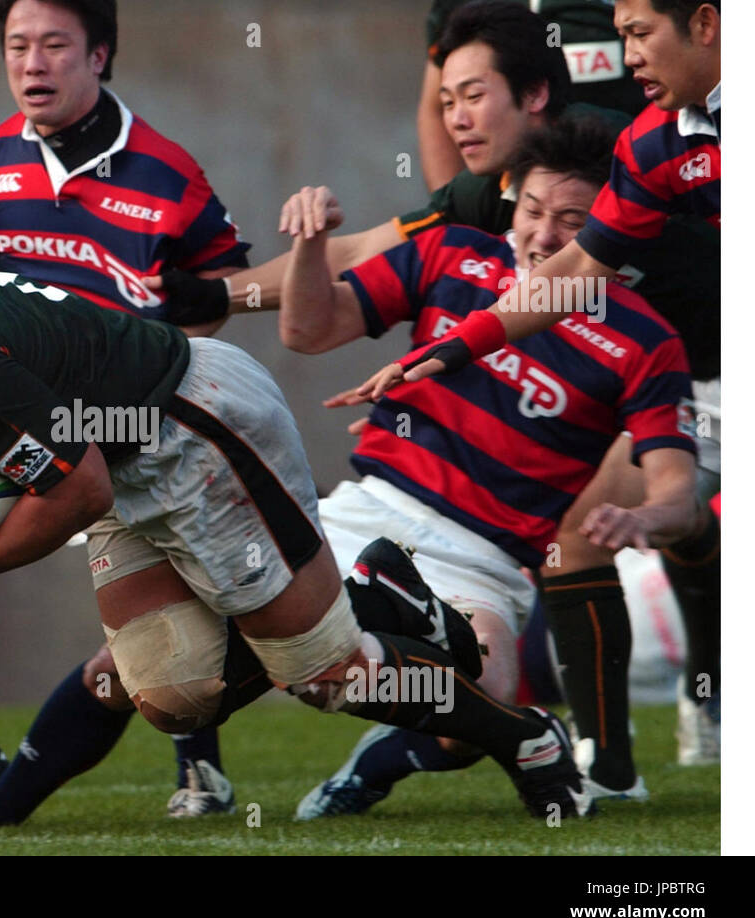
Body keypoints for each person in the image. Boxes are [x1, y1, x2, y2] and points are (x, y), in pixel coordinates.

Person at [0, 182, 596, 835]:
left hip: (194, 429)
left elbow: (76, 488)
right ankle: (372, 605)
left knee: (324, 675)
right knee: (171, 694)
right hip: (118, 448)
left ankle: (524, 738)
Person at [162, 0, 720, 788]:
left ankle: (684, 709)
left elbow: (578, 279)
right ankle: (605, 759)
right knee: (593, 533)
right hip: (645, 389)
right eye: (442, 97)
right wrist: (213, 300)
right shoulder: (484, 200)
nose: (456, 117)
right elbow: (359, 253)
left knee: (624, 524)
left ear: (533, 97)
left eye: (471, 94)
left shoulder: (628, 155)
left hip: (698, 361)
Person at [275, 116, 700, 814]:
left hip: (488, 561)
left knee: (486, 701)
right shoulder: (450, 254)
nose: (544, 235)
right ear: (511, 199)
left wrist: (645, 515)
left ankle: (378, 757)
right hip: (373, 510)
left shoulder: (642, 338)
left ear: (611, 232)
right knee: (267, 655)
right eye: (533, 211)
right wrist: (310, 246)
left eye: (573, 220)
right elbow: (307, 330)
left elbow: (677, 492)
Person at [353, 0, 721, 769]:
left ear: (710, 25)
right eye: (617, 35)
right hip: (713, 378)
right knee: (593, 532)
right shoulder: (655, 144)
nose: (628, 56)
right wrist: (451, 350)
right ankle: (612, 764)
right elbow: (577, 273)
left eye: (639, 34)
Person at [0, 0, 250, 815]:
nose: (33, 64)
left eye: (55, 46)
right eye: (18, 46)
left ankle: (197, 766)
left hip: (129, 425)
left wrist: (153, 374)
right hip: (13, 418)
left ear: (99, 55)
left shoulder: (169, 169)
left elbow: (219, 291)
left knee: (164, 593)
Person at [418, 0, 652, 192]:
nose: (459, 119)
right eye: (452, 102)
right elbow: (437, 107)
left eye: (474, 96)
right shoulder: (480, 193)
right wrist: (455, 209)